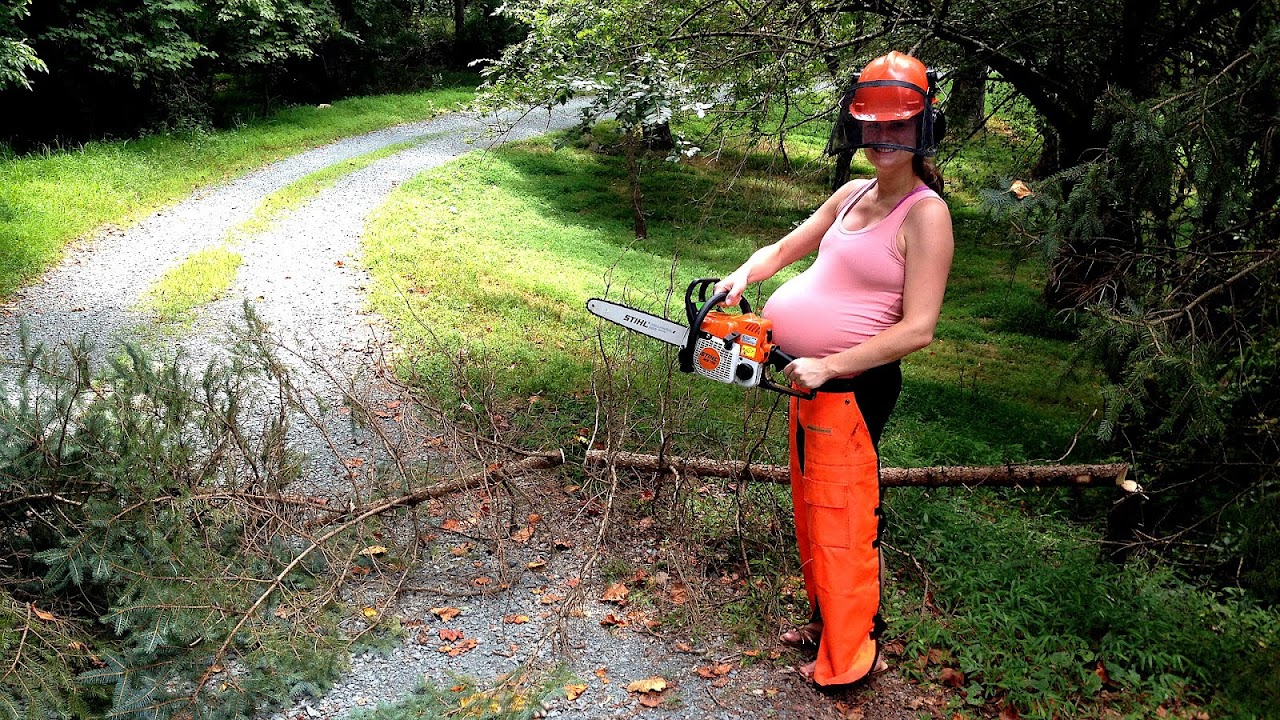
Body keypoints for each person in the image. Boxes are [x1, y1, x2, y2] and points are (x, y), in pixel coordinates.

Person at [714, 50, 954, 685]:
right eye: (872, 129)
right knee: (811, 506)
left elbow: (919, 329)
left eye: (897, 129)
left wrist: (831, 365)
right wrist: (742, 277)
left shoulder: (927, 215)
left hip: (852, 383)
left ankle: (851, 657)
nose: (883, 142)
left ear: (922, 129)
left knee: (844, 515)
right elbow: (786, 248)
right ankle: (828, 623)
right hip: (805, 378)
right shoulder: (851, 194)